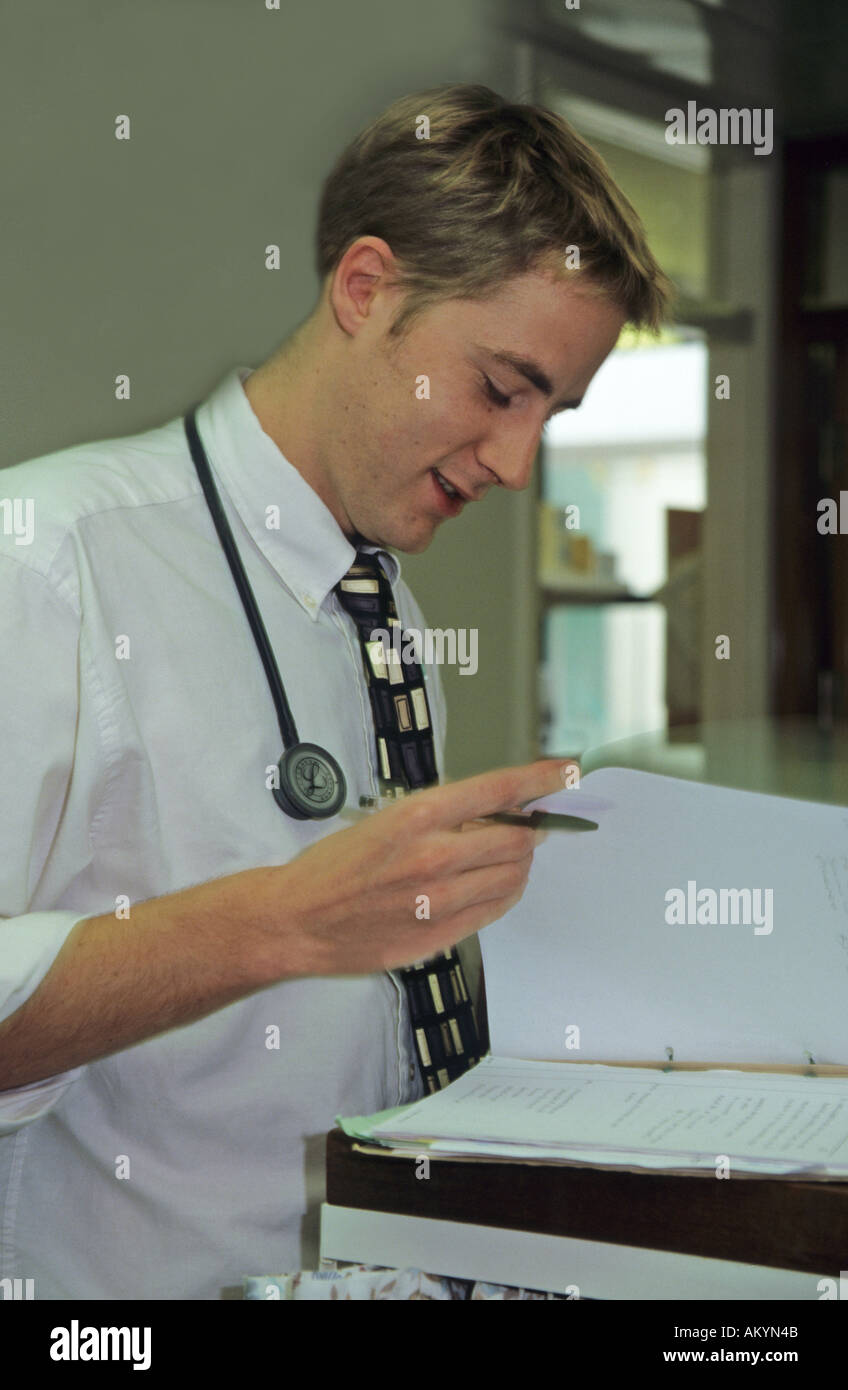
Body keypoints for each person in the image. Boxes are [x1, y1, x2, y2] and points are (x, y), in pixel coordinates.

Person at [0, 83, 670, 1300]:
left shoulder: (384, 615)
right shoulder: (47, 556)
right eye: (500, 387)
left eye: (551, 414)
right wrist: (282, 922)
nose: (518, 464)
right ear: (366, 290)